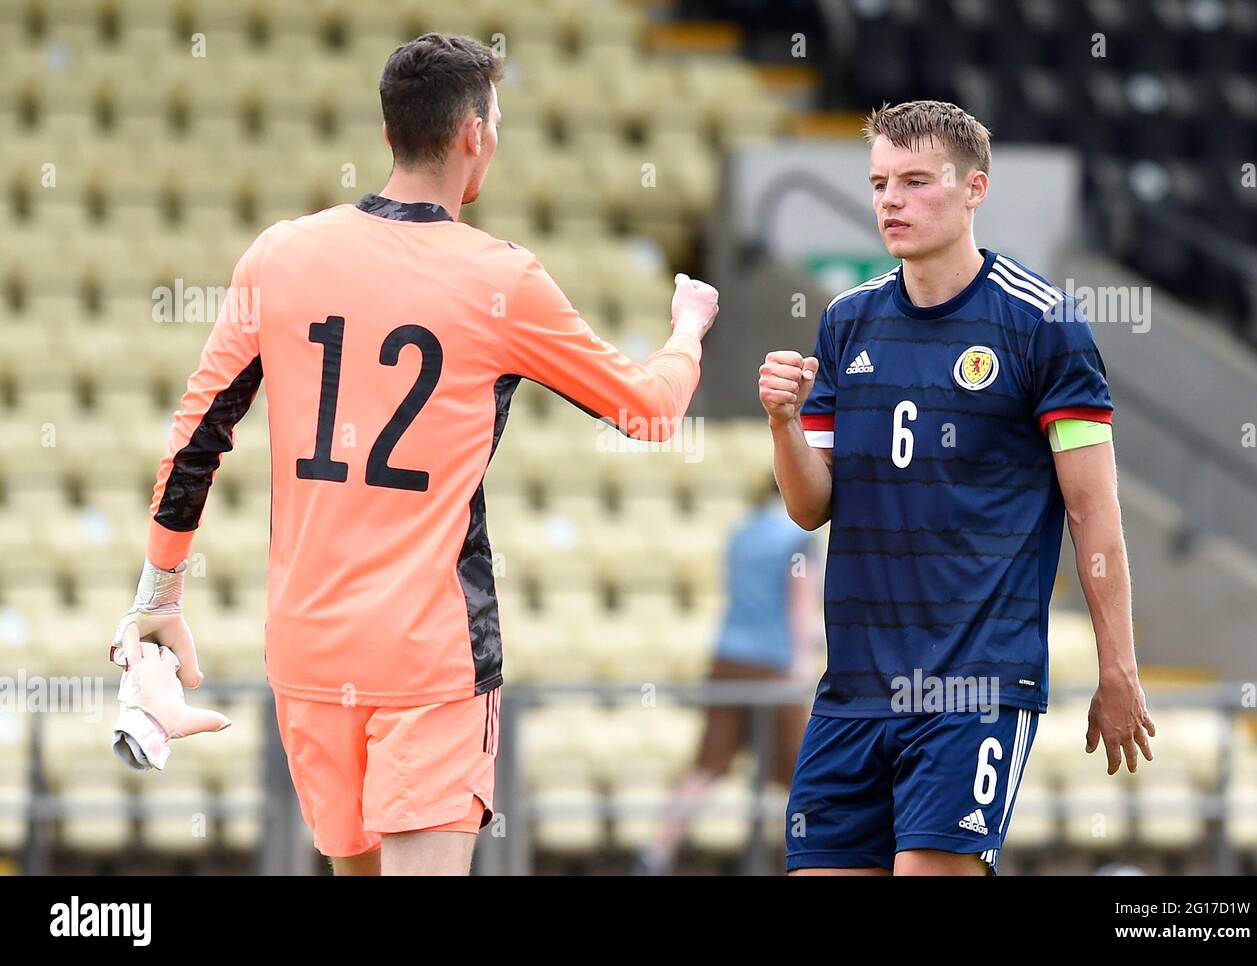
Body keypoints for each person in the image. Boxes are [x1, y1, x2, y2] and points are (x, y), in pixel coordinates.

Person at [110, 33, 719, 876]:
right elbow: (651, 414)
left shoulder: (281, 254)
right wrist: (687, 331)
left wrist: (161, 588)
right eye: (496, 121)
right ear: (473, 132)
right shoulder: (499, 278)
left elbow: (196, 436)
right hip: (428, 657)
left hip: (310, 652)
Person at [758, 100, 1155, 876]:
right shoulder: (847, 323)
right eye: (878, 184)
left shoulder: (1043, 326)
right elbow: (810, 503)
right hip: (854, 690)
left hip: (974, 688)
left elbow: (1093, 510)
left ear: (974, 188)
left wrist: (1119, 667)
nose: (890, 202)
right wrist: (781, 421)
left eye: (913, 181)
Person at [637, 480, 820, 875]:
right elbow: (799, 606)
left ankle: (658, 849)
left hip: (728, 660)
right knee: (796, 775)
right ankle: (804, 859)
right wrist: (802, 663)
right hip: (774, 668)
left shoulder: (742, 532)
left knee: (708, 764)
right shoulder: (797, 539)